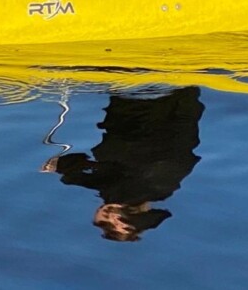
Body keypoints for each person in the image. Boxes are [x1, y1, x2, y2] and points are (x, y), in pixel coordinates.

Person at [41, 87, 204, 242]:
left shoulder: (111, 188)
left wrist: (60, 169)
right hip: (156, 101)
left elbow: (81, 169)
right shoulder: (155, 186)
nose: (109, 219)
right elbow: (185, 128)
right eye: (114, 223)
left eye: (103, 223)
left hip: (130, 102)